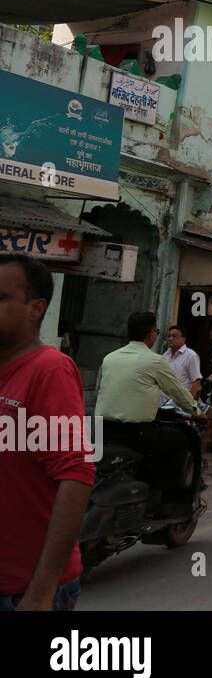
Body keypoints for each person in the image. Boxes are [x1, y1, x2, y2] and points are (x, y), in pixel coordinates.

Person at [0, 255, 95, 611]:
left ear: (35, 308)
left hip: (20, 591)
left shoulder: (49, 370)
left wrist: (41, 592)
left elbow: (76, 475)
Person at [96, 312, 198, 422]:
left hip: (100, 426)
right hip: (134, 429)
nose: (170, 339)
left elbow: (98, 390)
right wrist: (197, 412)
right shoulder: (157, 360)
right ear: (151, 333)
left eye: (174, 336)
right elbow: (177, 391)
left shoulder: (109, 358)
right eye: (157, 332)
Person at [159, 324, 202, 413]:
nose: (170, 339)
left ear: (183, 339)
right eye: (169, 336)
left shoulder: (191, 356)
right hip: (162, 404)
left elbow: (196, 381)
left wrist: (190, 405)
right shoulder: (165, 355)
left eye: (174, 336)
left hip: (178, 406)